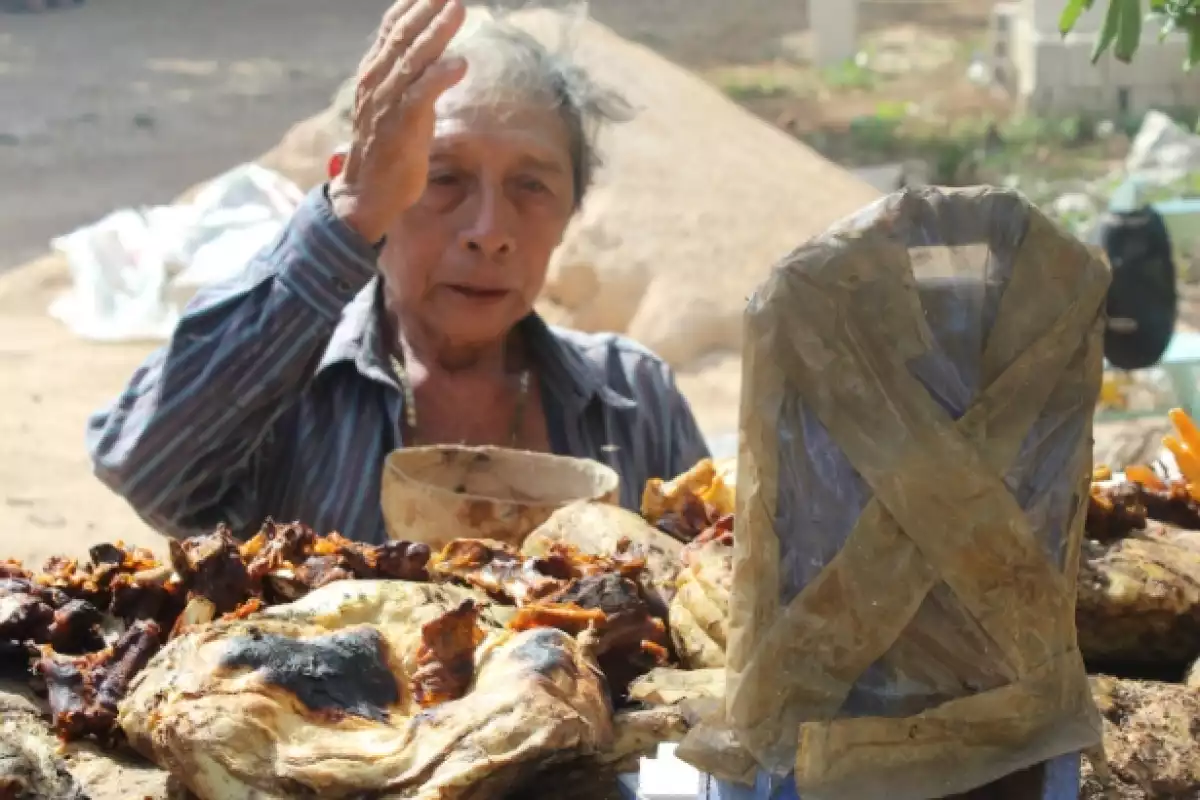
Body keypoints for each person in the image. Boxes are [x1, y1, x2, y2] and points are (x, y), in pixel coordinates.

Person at [86, 0, 710, 544]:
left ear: (572, 209)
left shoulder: (632, 402)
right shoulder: (286, 390)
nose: (489, 232)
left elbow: (715, 592)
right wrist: (349, 214)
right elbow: (145, 470)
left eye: (532, 186)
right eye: (442, 179)